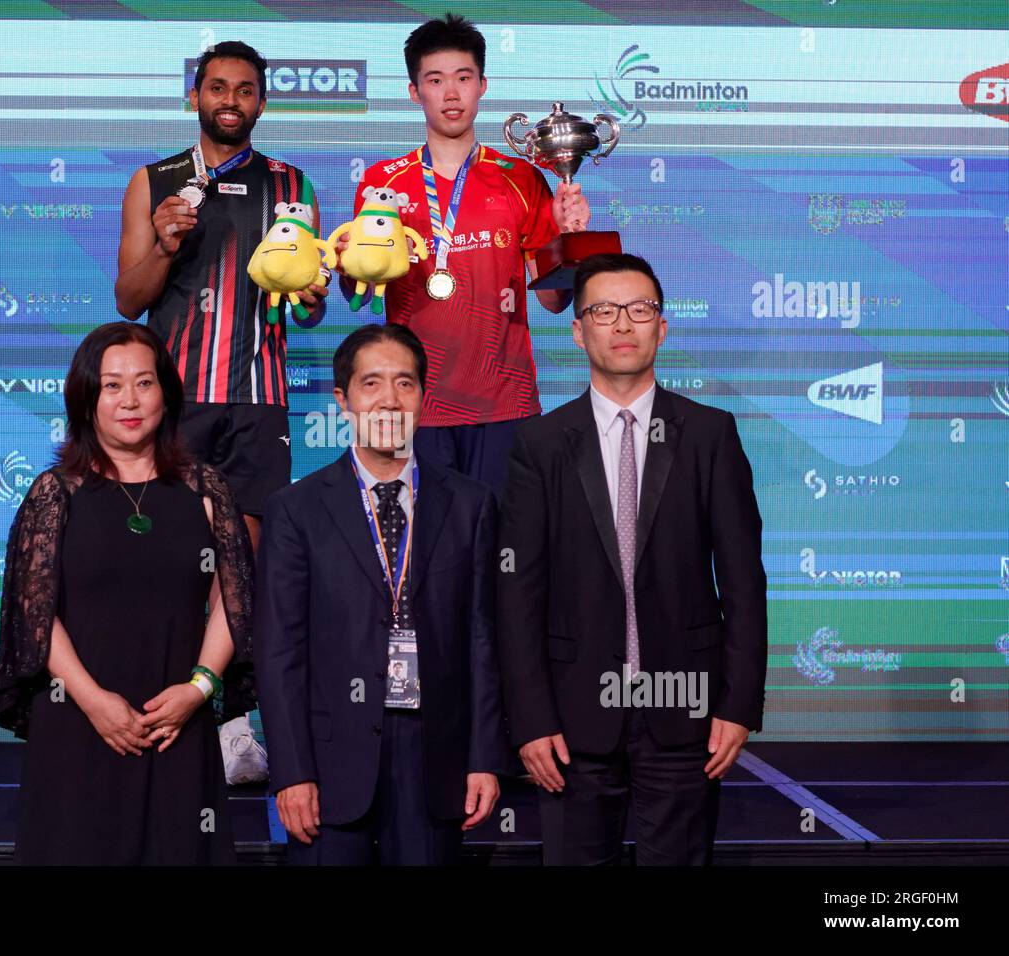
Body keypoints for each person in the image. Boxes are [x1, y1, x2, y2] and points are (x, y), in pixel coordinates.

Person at [495, 253, 767, 865]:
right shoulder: (539, 445)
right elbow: (517, 595)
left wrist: (737, 703)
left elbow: (745, 583)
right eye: (603, 311)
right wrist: (530, 719)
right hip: (570, 719)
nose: (623, 325)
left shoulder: (709, 434)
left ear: (662, 326)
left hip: (685, 712)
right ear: (578, 328)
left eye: (639, 310)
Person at [0, 321, 256, 865]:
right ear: (86, 399)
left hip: (176, 724)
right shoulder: (54, 494)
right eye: (111, 385)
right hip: (79, 723)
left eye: (144, 382)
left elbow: (232, 602)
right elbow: (35, 614)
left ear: (167, 393)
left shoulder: (207, 490)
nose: (129, 400)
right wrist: (93, 701)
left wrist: (199, 689)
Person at [254, 324, 511, 866]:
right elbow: (279, 653)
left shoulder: (471, 505)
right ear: (342, 401)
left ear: (423, 397)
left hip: (435, 755)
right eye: (371, 384)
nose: (389, 399)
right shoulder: (295, 510)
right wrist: (292, 770)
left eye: (405, 383)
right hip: (327, 762)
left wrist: (485, 757)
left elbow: (484, 641)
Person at [335, 14, 592, 499]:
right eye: (435, 80)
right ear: (415, 92)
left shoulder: (521, 177)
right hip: (414, 407)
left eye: (463, 78)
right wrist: (348, 267)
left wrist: (568, 235)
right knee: (428, 560)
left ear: (482, 86)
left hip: (506, 405)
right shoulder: (382, 183)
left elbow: (555, 302)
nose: (451, 93)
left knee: (505, 557)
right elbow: (360, 296)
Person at [116, 40, 324, 551]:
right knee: (167, 554)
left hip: (260, 402)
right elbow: (127, 300)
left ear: (261, 104)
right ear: (195, 98)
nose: (230, 100)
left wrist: (312, 299)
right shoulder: (154, 181)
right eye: (218, 88)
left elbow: (307, 312)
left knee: (247, 563)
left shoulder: (293, 186)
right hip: (175, 399)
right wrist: (165, 248)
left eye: (245, 90)